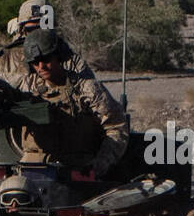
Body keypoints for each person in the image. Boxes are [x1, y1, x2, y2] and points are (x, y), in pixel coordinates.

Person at [7, 28, 128, 176]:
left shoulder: (86, 88)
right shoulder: (26, 85)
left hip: (77, 170)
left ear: (59, 56)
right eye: (35, 63)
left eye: (46, 60)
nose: (41, 67)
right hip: (33, 169)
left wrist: (100, 165)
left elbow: (117, 127)